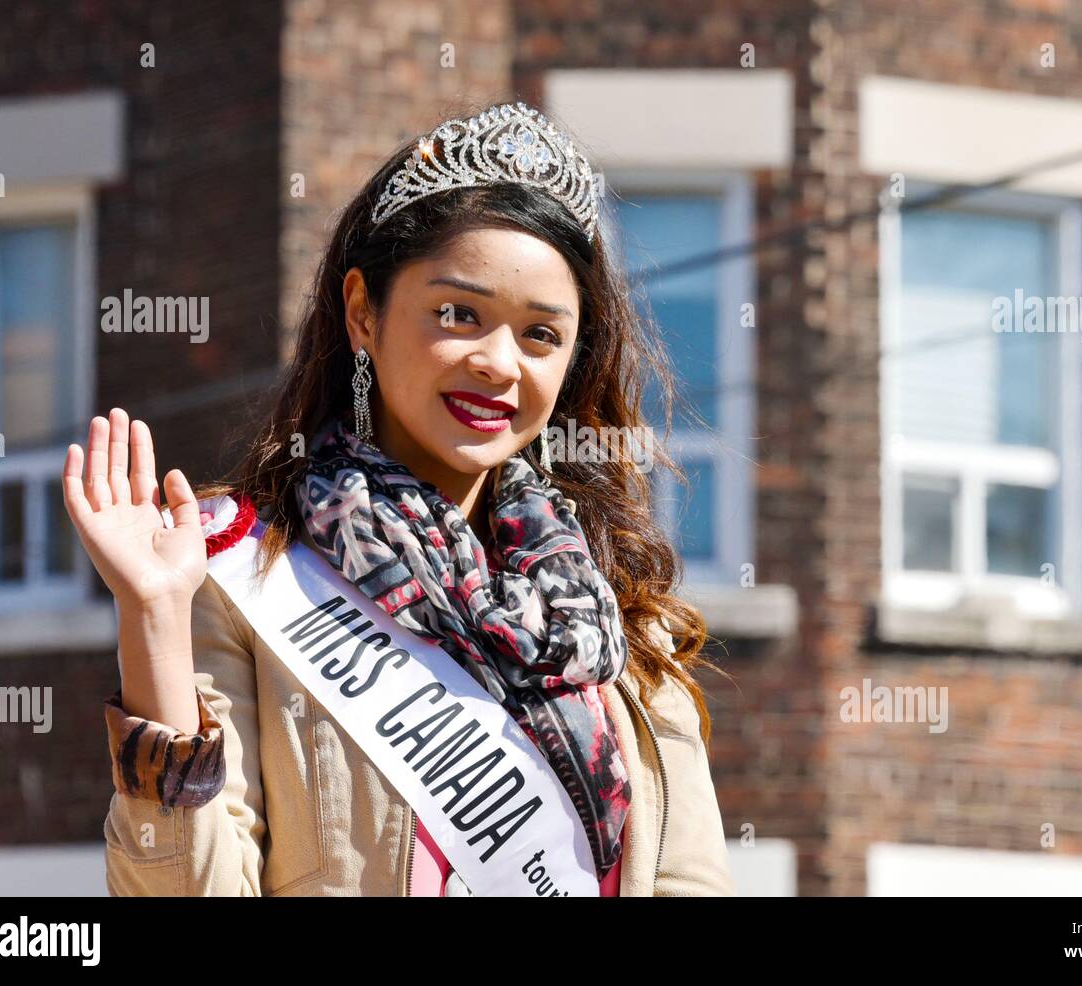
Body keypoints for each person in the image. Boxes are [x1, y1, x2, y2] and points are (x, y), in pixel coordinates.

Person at [62, 100, 736, 896]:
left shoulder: (621, 618)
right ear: (362, 314)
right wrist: (152, 620)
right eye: (458, 315)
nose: (498, 362)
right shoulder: (244, 578)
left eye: (541, 335)